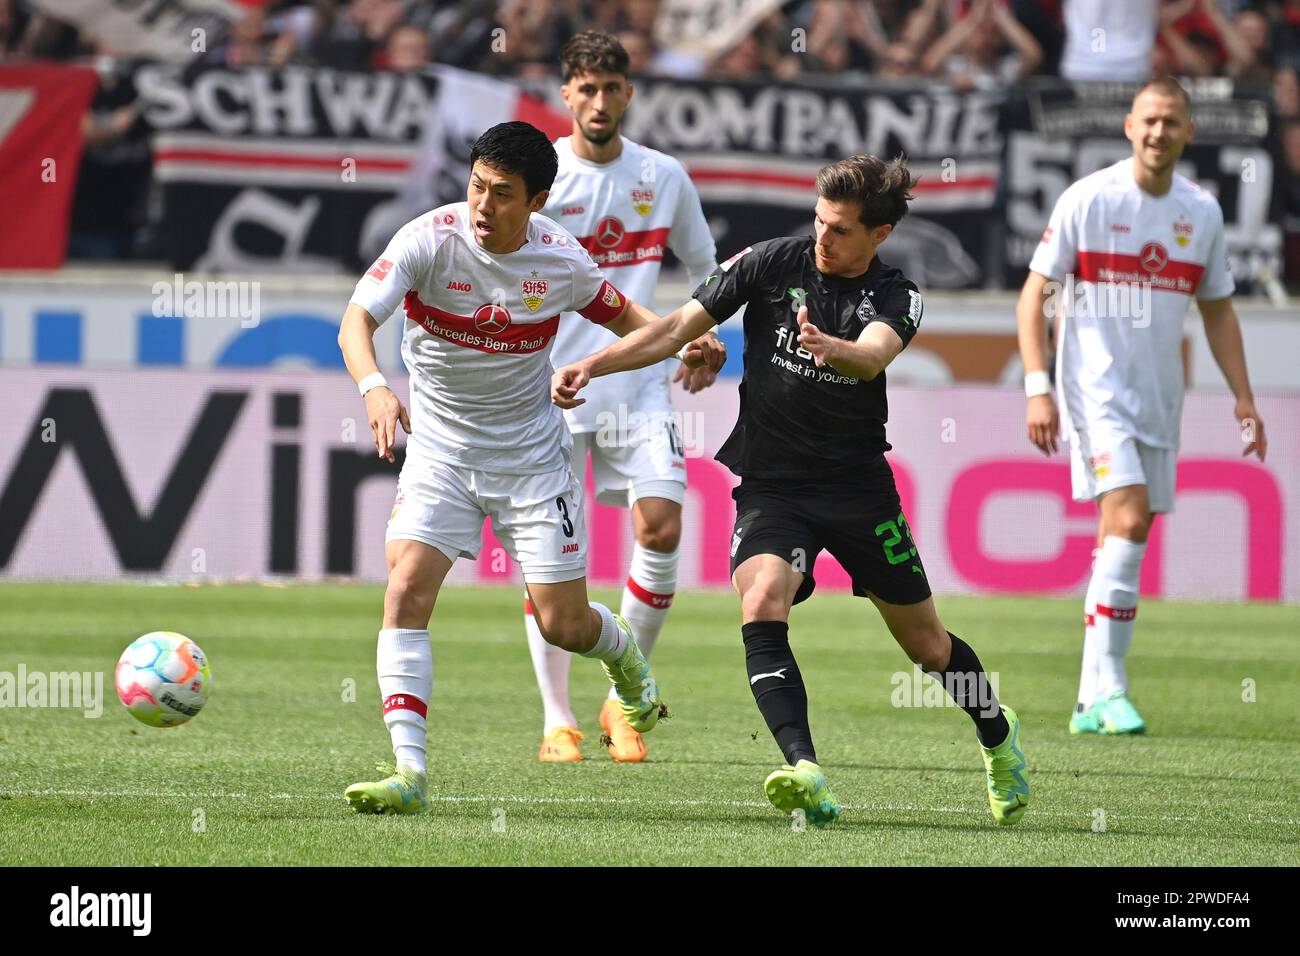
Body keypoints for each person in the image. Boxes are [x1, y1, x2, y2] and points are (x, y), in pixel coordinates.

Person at [552, 154, 1031, 827]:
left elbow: (872, 355)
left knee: (927, 647)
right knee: (761, 597)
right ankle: (804, 767)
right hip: (772, 485)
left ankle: (997, 735)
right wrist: (593, 364)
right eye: (819, 221)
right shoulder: (771, 262)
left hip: (859, 490)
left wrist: (833, 348)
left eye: (839, 230)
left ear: (879, 234)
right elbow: (672, 329)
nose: (823, 239)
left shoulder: (899, 294)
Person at [335, 121, 723, 814]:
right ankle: (410, 771)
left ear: (538, 201)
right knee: (405, 591)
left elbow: (629, 317)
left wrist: (685, 345)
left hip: (531, 464)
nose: (483, 206)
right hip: (442, 454)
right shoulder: (429, 238)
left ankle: (627, 662)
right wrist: (375, 388)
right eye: (477, 186)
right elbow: (356, 323)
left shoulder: (560, 261)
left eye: (503, 194)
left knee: (563, 626)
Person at [1016, 77, 1267, 736]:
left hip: (1158, 398)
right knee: (1126, 516)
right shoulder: (1090, 199)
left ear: (1188, 132)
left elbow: (1217, 311)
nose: (1159, 133)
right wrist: (1037, 386)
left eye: (1172, 123)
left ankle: (1088, 697)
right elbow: (1034, 295)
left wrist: (1243, 395)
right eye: (1149, 121)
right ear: (1130, 126)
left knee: (1126, 534)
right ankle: (1113, 689)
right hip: (1094, 391)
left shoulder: (1201, 213)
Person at [525, 31, 721, 764]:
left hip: (636, 381)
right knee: (551, 556)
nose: (600, 101)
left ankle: (622, 701)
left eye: (613, 88)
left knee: (663, 527)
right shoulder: (538, 175)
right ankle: (556, 719)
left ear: (628, 95)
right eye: (586, 88)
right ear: (566, 93)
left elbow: (707, 271)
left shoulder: (662, 176)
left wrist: (706, 336)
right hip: (546, 383)